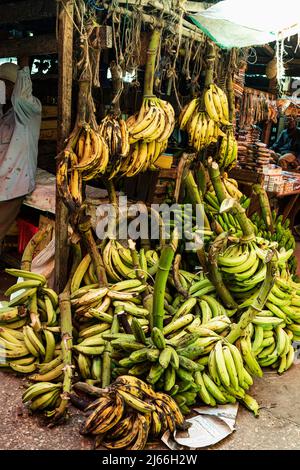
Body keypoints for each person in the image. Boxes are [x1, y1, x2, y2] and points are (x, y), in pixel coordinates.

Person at [0, 59, 42, 243]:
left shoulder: (30, 109)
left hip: (13, 186)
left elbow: (20, 98)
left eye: (5, 85)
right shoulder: (6, 113)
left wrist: (24, 66)